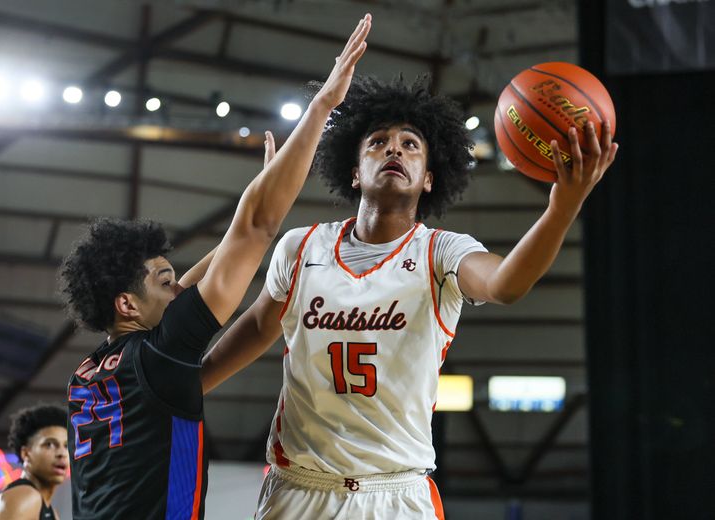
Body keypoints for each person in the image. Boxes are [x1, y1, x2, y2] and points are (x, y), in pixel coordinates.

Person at [201, 75, 619, 519]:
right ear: (355, 173)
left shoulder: (442, 252)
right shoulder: (301, 247)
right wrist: (180, 389)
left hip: (396, 495)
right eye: (378, 142)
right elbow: (257, 327)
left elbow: (506, 285)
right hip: (299, 488)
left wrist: (562, 208)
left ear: (429, 180)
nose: (394, 150)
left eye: (410, 145)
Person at [57, 14, 372, 520]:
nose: (179, 289)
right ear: (127, 304)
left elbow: (216, 262)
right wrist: (323, 106)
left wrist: (248, 212)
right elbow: (257, 228)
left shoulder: (90, 373)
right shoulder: (163, 354)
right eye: (165, 283)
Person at [0, 404, 68, 520]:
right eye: (49, 444)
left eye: (66, 446)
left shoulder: (50, 511)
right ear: (26, 453)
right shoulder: (25, 497)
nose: (62, 453)